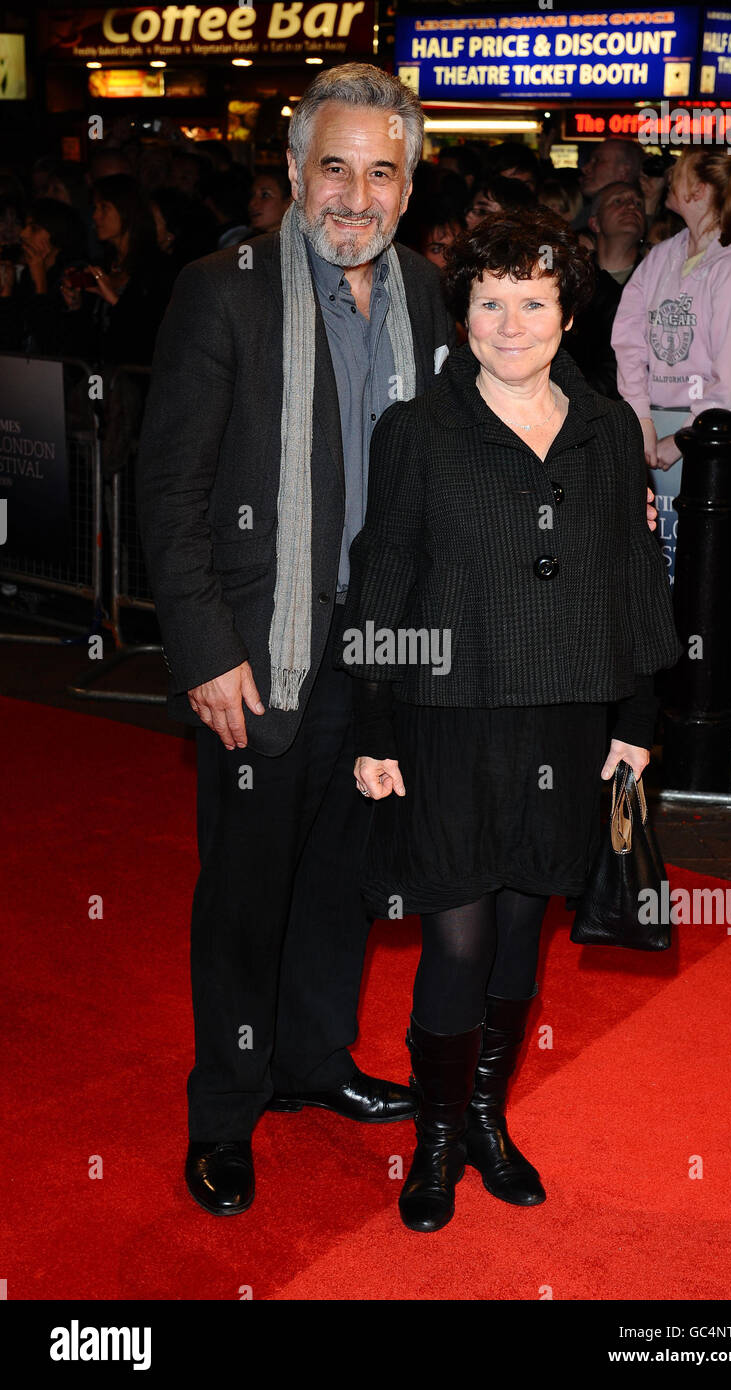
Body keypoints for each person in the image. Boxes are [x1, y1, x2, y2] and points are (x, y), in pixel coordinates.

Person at [135, 63, 456, 1217]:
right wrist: (205, 647)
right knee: (244, 895)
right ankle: (225, 1109)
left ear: (408, 186)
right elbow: (166, 486)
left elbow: (493, 421)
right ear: (290, 172)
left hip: (381, 663)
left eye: (380, 172)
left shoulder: (427, 291)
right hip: (260, 656)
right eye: (335, 167)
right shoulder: (221, 292)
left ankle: (313, 1064)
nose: (355, 196)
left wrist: (624, 464)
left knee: (341, 880)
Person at [338, 209, 681, 1233]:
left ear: (568, 312)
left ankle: (487, 1118)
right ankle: (435, 1137)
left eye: (533, 300)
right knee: (456, 940)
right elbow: (381, 577)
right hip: (449, 716)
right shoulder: (418, 429)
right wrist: (374, 727)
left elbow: (633, 573)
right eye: (489, 300)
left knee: (522, 933)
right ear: (464, 315)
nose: (510, 320)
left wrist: (637, 714)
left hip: (568, 725)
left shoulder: (608, 427)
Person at [612, 148, 731, 471]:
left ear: (699, 190)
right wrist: (640, 417)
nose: (670, 174)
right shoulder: (663, 256)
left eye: (679, 168)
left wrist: (685, 436)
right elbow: (628, 338)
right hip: (666, 428)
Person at [60, 173, 171, 366]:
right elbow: (88, 341)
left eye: (104, 208)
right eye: (95, 208)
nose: (95, 216)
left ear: (127, 211)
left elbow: (153, 335)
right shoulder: (101, 266)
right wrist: (76, 307)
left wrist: (114, 300)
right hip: (101, 379)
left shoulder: (157, 269)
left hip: (138, 382)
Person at [566, 180, 645, 398]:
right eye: (618, 201)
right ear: (595, 223)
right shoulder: (570, 280)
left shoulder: (655, 279)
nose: (631, 207)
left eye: (639, 204)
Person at [0, 197, 88, 355]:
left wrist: (41, 285)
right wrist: (7, 293)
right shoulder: (29, 273)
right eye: (25, 226)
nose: (24, 234)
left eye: (34, 228)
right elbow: (11, 338)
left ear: (56, 235)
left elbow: (52, 341)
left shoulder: (78, 273)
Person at [574, 138, 644, 229]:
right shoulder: (583, 214)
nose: (585, 168)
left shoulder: (632, 220)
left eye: (597, 160)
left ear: (623, 172)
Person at [248, 167, 292, 234]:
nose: (252, 203)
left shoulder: (300, 242)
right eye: (252, 195)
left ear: (288, 203)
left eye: (265, 195)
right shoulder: (248, 242)